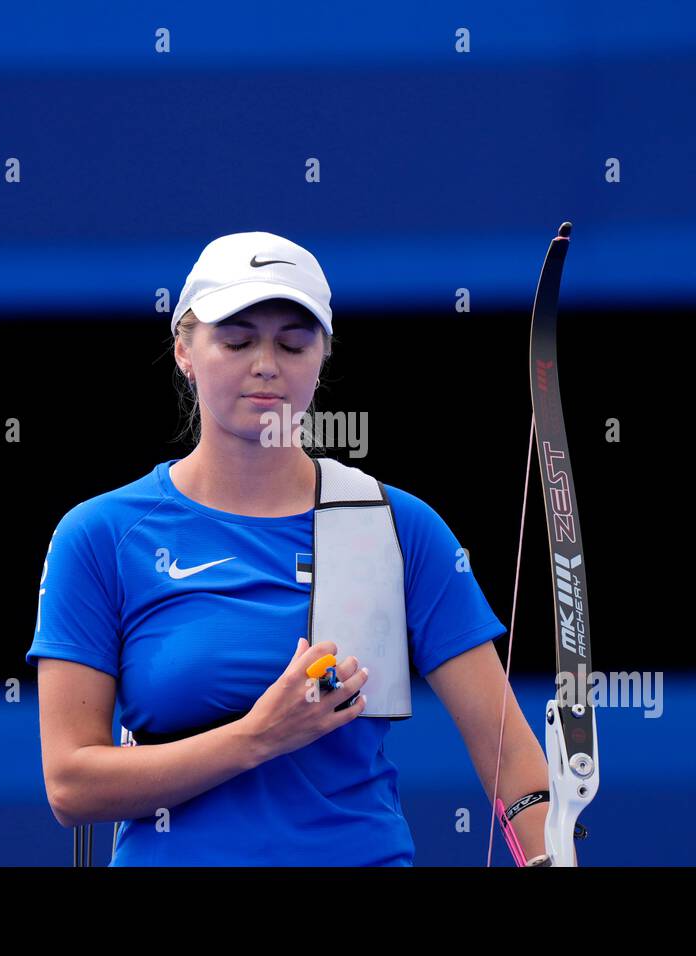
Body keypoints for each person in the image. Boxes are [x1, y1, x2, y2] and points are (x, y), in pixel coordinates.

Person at [27, 231, 553, 865]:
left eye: (293, 342)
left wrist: (551, 851)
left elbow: (512, 760)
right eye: (238, 340)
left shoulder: (397, 526)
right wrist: (257, 737)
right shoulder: (100, 535)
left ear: (322, 355)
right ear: (184, 352)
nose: (267, 364)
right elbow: (70, 784)